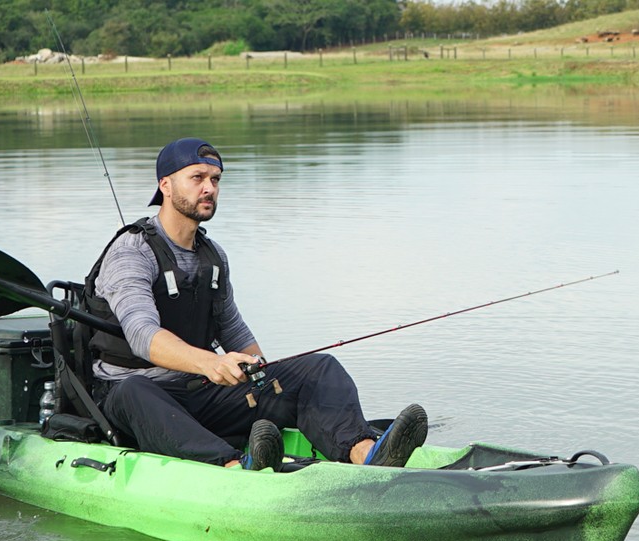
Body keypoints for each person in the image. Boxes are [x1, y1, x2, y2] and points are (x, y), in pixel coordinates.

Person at [84, 137, 427, 471]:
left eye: (215, 180)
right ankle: (235, 466)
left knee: (318, 368)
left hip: (197, 393)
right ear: (166, 185)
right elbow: (142, 334)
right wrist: (210, 364)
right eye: (197, 178)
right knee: (135, 390)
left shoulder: (213, 255)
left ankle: (366, 454)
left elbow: (233, 329)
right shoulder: (132, 251)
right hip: (134, 398)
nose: (209, 189)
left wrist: (261, 378)